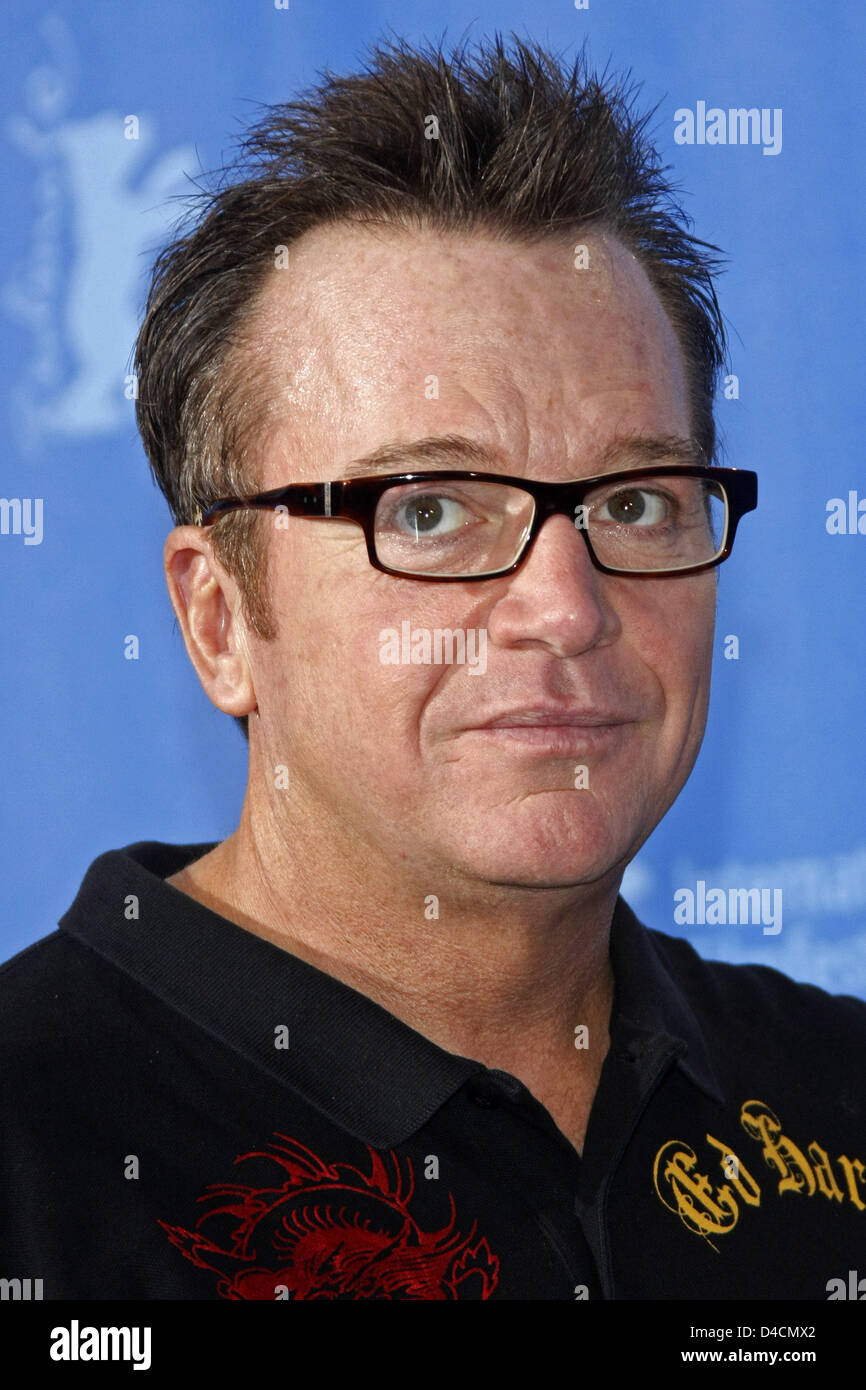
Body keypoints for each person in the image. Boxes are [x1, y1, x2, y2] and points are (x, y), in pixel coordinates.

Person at [1, 33, 864, 1303]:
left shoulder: (832, 1092)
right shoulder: (30, 1159)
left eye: (631, 503)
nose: (565, 608)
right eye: (427, 511)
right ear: (219, 618)